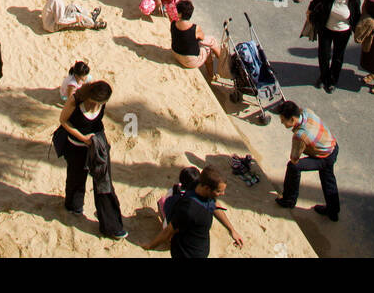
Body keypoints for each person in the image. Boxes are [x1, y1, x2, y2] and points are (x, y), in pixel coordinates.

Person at [57, 80, 127, 238]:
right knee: (76, 177)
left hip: (98, 144)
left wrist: (94, 141)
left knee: (104, 182)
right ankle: (74, 206)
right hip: (76, 145)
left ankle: (111, 226)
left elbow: (97, 121)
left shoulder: (101, 102)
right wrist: (82, 137)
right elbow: (63, 120)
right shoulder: (75, 100)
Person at [144, 165, 242, 256]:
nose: (223, 194)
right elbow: (168, 231)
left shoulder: (199, 186)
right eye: (219, 191)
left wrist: (232, 230)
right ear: (207, 188)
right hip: (187, 253)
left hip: (197, 249)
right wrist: (150, 246)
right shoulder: (189, 210)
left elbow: (214, 205)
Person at [273, 99, 340, 222]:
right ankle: (333, 211)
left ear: (292, 119)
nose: (282, 123)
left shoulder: (300, 135)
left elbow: (294, 159)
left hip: (323, 157)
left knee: (293, 167)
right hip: (332, 147)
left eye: (283, 120)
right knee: (328, 179)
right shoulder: (306, 112)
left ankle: (289, 200)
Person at [307, 0, 361, 92]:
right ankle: (324, 76)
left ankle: (332, 80)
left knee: (337, 57)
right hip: (325, 27)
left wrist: (358, 31)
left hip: (343, 32)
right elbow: (316, 0)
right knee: (324, 54)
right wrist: (310, 11)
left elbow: (356, 16)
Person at [169, 0, 219, 78]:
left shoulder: (173, 23)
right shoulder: (195, 28)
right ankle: (212, 74)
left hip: (175, 53)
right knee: (208, 47)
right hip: (189, 61)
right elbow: (202, 37)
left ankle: (215, 68)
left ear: (180, 14)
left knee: (209, 41)